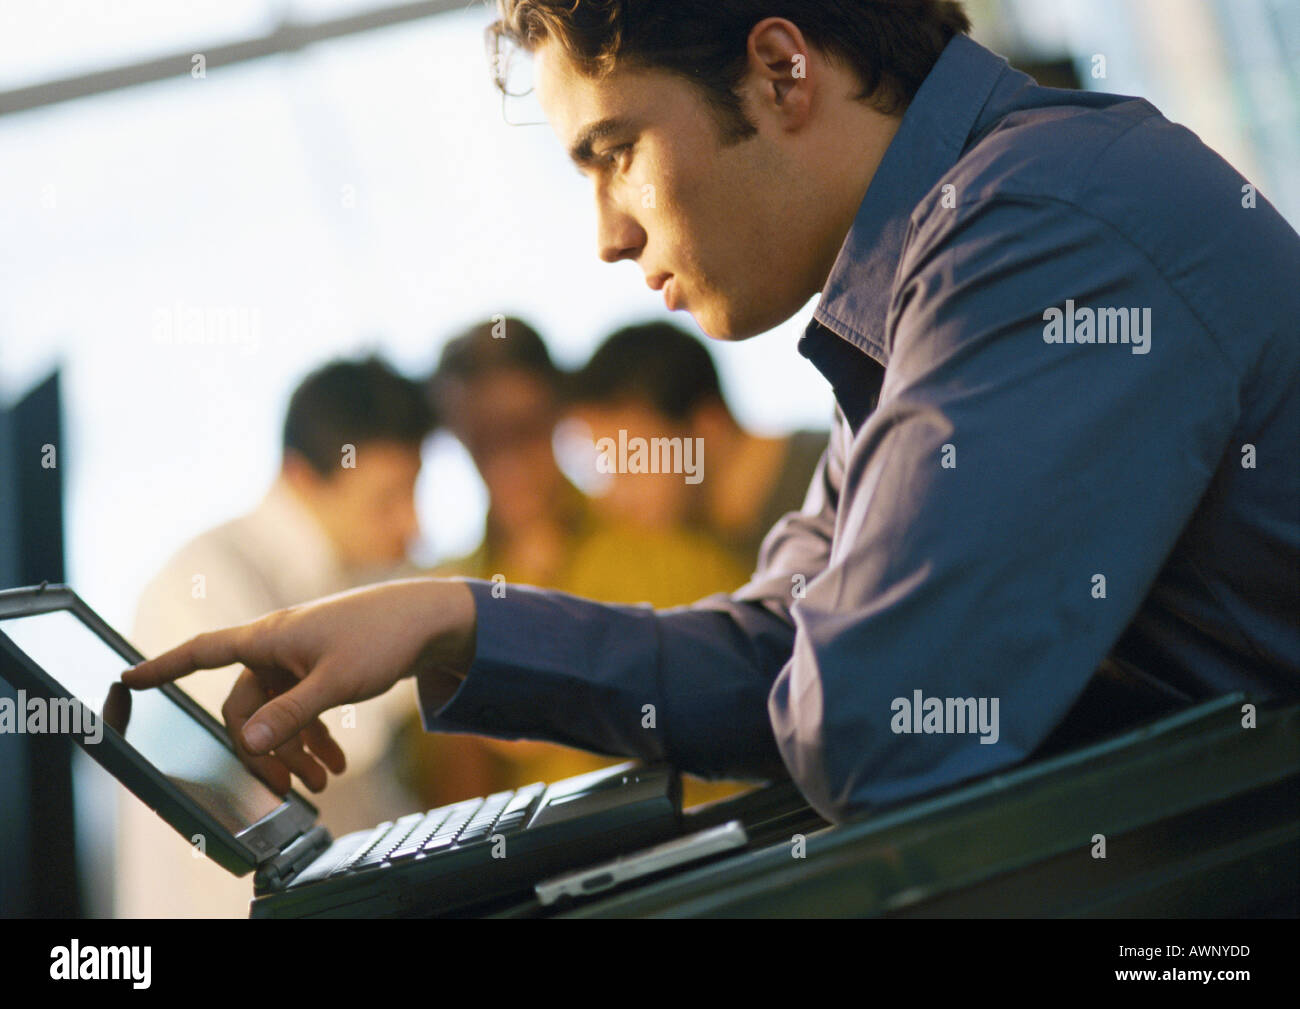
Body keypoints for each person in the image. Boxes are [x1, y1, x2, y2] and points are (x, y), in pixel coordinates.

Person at [124, 1, 1299, 828]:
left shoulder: (1042, 236)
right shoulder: (936, 267)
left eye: (615, 151)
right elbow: (787, 650)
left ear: (781, 71)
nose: (606, 234)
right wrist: (454, 620)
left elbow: (870, 729)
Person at [124, 355, 434, 915]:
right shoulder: (199, 582)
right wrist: (438, 652)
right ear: (301, 477)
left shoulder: (370, 567)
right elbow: (328, 739)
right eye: (387, 498)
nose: (413, 526)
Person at [402, 317, 749, 806]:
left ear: (557, 412)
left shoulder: (669, 554)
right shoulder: (443, 598)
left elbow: (742, 724)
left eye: (522, 431)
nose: (505, 461)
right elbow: (440, 808)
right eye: (481, 440)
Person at [567, 320, 827, 573]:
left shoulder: (837, 478)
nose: (614, 500)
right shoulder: (723, 541)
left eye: (631, 465)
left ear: (708, 427)